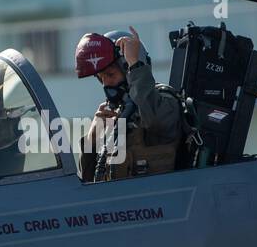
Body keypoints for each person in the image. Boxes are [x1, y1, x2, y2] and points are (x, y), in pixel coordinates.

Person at [74, 26, 184, 182]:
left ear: (129, 70)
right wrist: (92, 138)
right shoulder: (114, 115)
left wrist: (135, 64)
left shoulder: (165, 102)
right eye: (101, 77)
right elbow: (87, 180)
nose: (106, 83)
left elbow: (153, 117)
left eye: (110, 74)